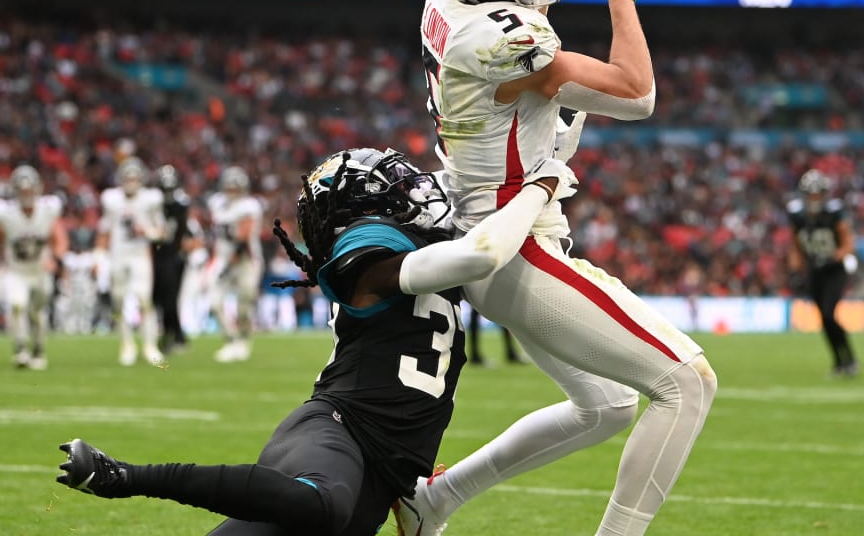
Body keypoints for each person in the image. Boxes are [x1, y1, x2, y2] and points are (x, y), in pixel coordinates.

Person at [402, 0, 717, 536]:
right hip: (516, 243)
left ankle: (432, 500)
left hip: (498, 219)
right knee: (688, 383)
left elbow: (518, 13)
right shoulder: (493, 34)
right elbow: (636, 94)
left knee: (605, 407)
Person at [56, 147, 575, 536]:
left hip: (382, 469)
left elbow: (464, 195)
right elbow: (480, 254)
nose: (408, 190)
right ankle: (121, 474)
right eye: (389, 186)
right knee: (321, 505)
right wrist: (539, 186)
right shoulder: (363, 257)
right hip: (337, 432)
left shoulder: (421, 242)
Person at [0, 165, 66, 370]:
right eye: (22, 189)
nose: (26, 193)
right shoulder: (6, 214)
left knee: (37, 313)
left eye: (29, 189)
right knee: (17, 305)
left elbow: (60, 238)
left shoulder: (48, 210)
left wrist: (56, 259)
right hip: (16, 271)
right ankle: (20, 349)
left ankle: (38, 349)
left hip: (40, 270)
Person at [787, 168, 858, 377]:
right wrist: (795, 270)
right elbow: (795, 245)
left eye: (817, 193)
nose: (814, 198)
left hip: (834, 269)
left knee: (828, 313)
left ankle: (850, 359)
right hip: (814, 270)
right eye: (810, 193)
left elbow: (848, 244)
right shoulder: (797, 215)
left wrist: (832, 258)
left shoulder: (833, 213)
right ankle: (839, 362)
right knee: (824, 318)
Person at [96, 158, 165, 366]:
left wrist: (148, 232)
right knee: (118, 302)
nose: (131, 181)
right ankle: (126, 344)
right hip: (118, 256)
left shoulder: (150, 199)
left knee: (144, 299)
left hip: (139, 256)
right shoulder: (111, 199)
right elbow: (104, 229)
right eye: (127, 177)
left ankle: (150, 345)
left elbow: (161, 232)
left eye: (134, 178)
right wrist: (98, 254)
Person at [207, 166, 263, 363]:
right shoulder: (217, 203)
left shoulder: (249, 205)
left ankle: (243, 341)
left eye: (235, 188)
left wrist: (230, 261)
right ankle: (231, 339)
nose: (232, 192)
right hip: (223, 259)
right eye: (229, 188)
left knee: (244, 306)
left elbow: (243, 237)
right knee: (214, 302)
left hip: (246, 260)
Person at [152, 164, 196, 354]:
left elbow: (186, 235)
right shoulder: (151, 203)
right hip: (157, 255)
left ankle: (175, 335)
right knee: (158, 299)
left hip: (173, 256)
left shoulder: (180, 205)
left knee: (170, 299)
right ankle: (171, 334)